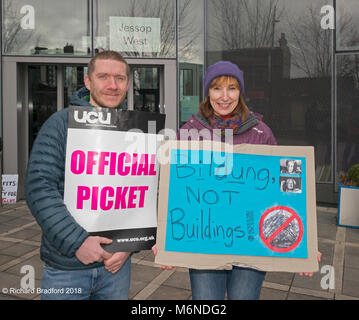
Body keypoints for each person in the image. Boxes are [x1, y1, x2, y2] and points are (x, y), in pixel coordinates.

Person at [25, 50, 132, 300]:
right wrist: (78, 242)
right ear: (87, 81)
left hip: (117, 265)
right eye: (103, 76)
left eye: (120, 78)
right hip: (67, 268)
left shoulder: (134, 128)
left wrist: (129, 246)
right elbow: (40, 188)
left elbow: (140, 194)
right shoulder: (61, 123)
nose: (112, 85)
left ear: (128, 84)